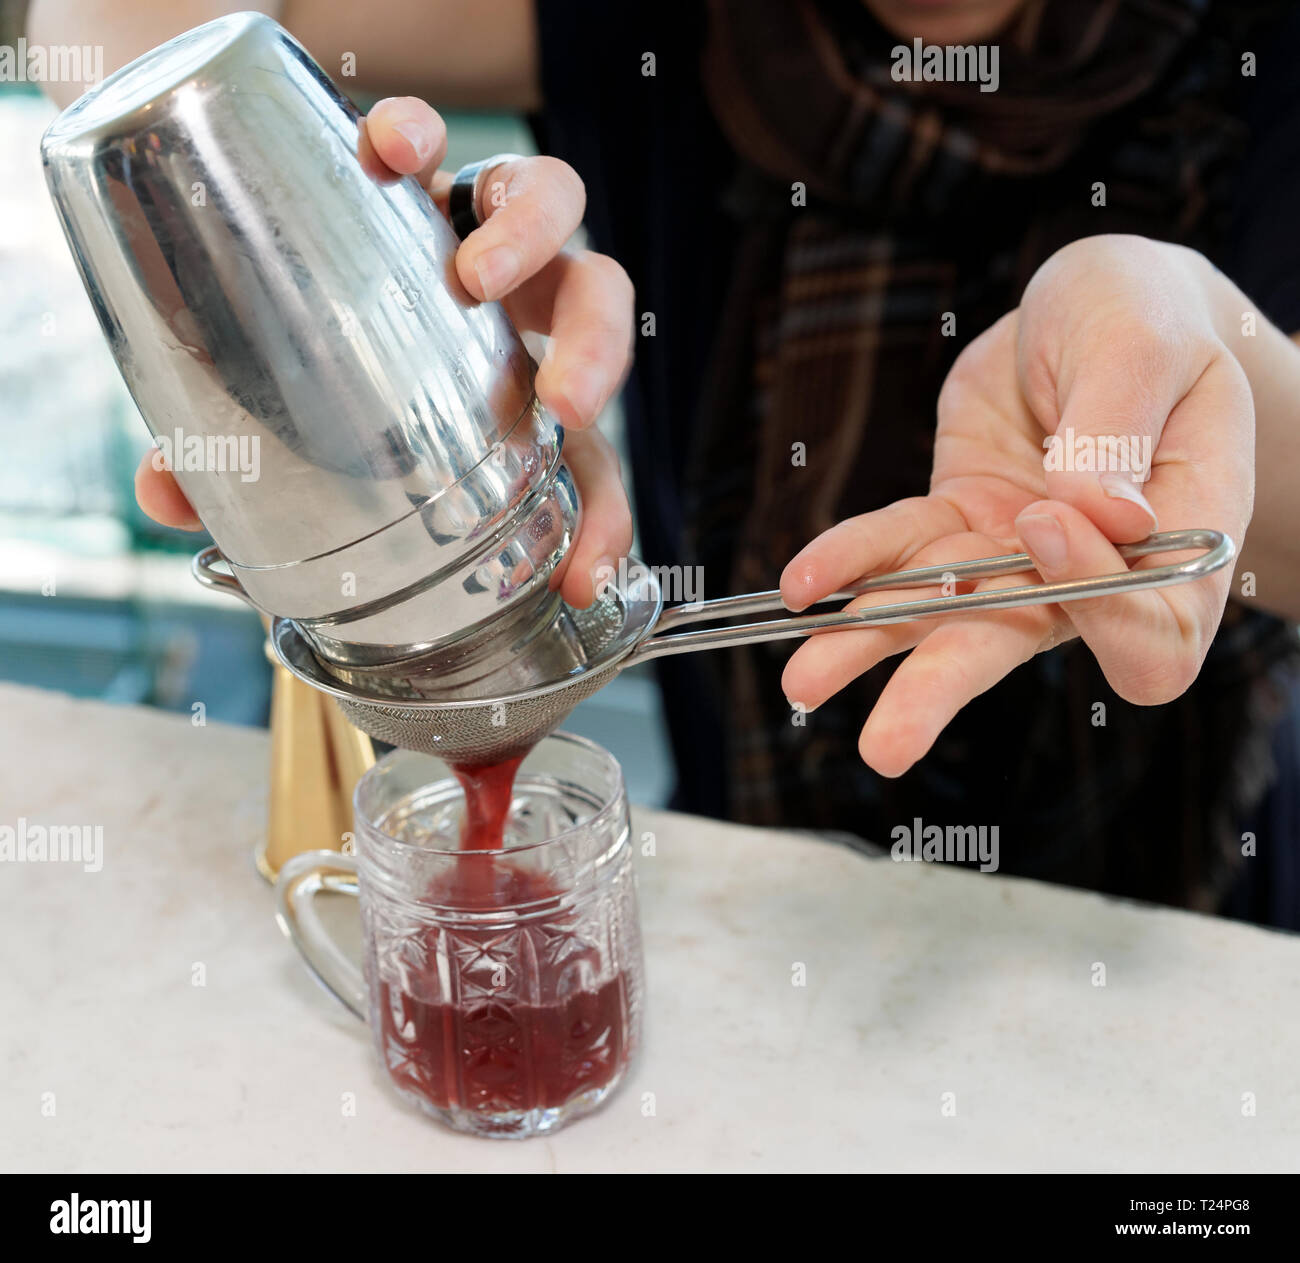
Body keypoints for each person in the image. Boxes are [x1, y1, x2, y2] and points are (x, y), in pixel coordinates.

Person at [32, 0, 1300, 924]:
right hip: (766, 902)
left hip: (1199, 932)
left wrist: (1203, 340)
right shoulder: (665, 27)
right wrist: (360, 246)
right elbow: (104, 23)